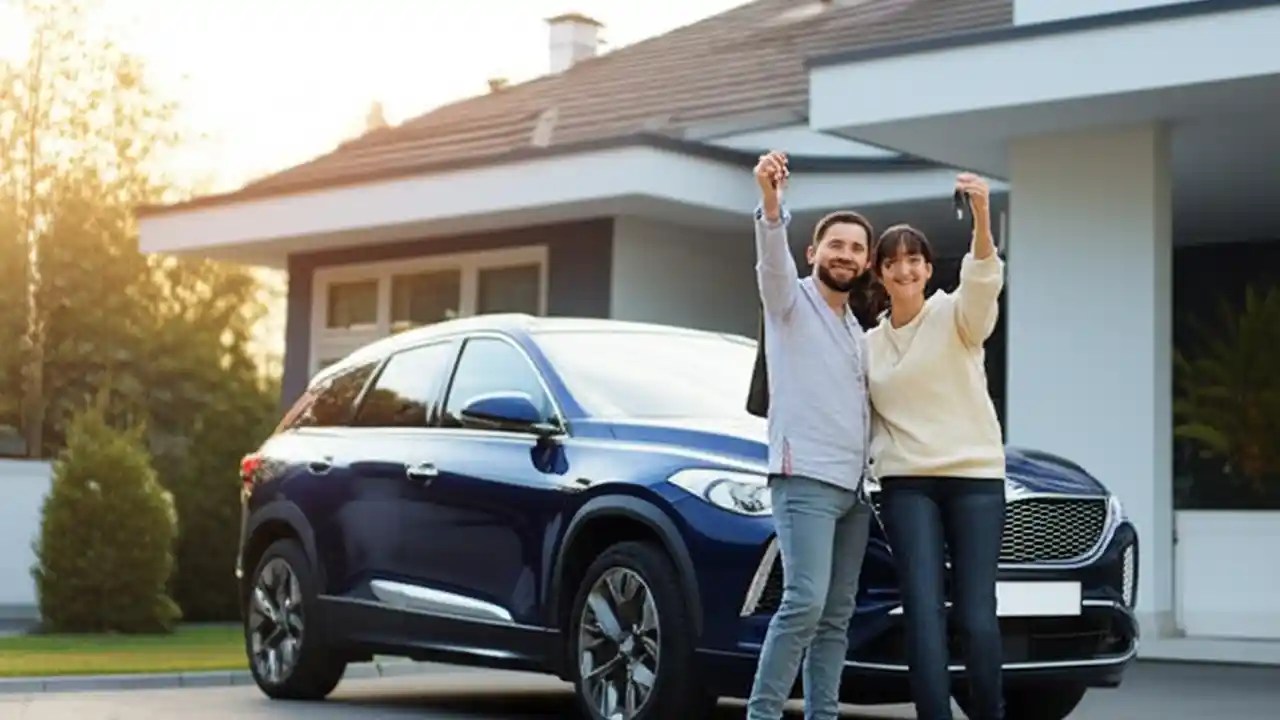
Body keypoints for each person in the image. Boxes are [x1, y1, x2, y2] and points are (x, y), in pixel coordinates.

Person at [864, 173, 1007, 720]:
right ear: (880, 273)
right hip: (906, 485)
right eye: (894, 261)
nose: (906, 269)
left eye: (916, 259)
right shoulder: (869, 346)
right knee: (923, 612)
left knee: (973, 614)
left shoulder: (957, 316)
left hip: (974, 479)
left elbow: (983, 278)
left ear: (928, 268)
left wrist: (982, 217)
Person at [745, 150, 875, 720]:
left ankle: (824, 715)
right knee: (803, 604)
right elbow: (771, 256)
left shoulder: (857, 329)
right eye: (836, 245)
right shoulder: (788, 301)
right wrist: (772, 201)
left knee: (835, 616)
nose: (845, 255)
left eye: (855, 248)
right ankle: (763, 714)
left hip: (855, 491)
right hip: (805, 481)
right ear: (813, 252)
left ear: (865, 262)